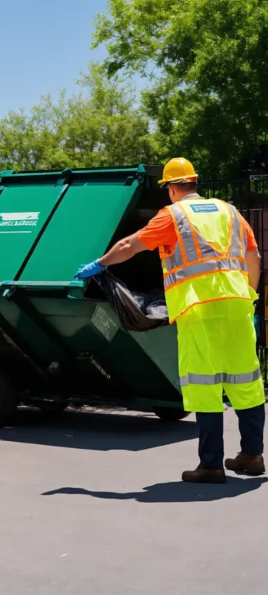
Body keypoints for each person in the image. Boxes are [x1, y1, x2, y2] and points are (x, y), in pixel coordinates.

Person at [75, 158, 265, 483]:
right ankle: (253, 455)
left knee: (204, 383)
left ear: (172, 188)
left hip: (199, 308)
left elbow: (130, 245)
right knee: (245, 380)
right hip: (238, 304)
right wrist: (250, 299)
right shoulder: (229, 211)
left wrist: (101, 263)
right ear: (195, 183)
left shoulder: (173, 215)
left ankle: (211, 465)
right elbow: (254, 257)